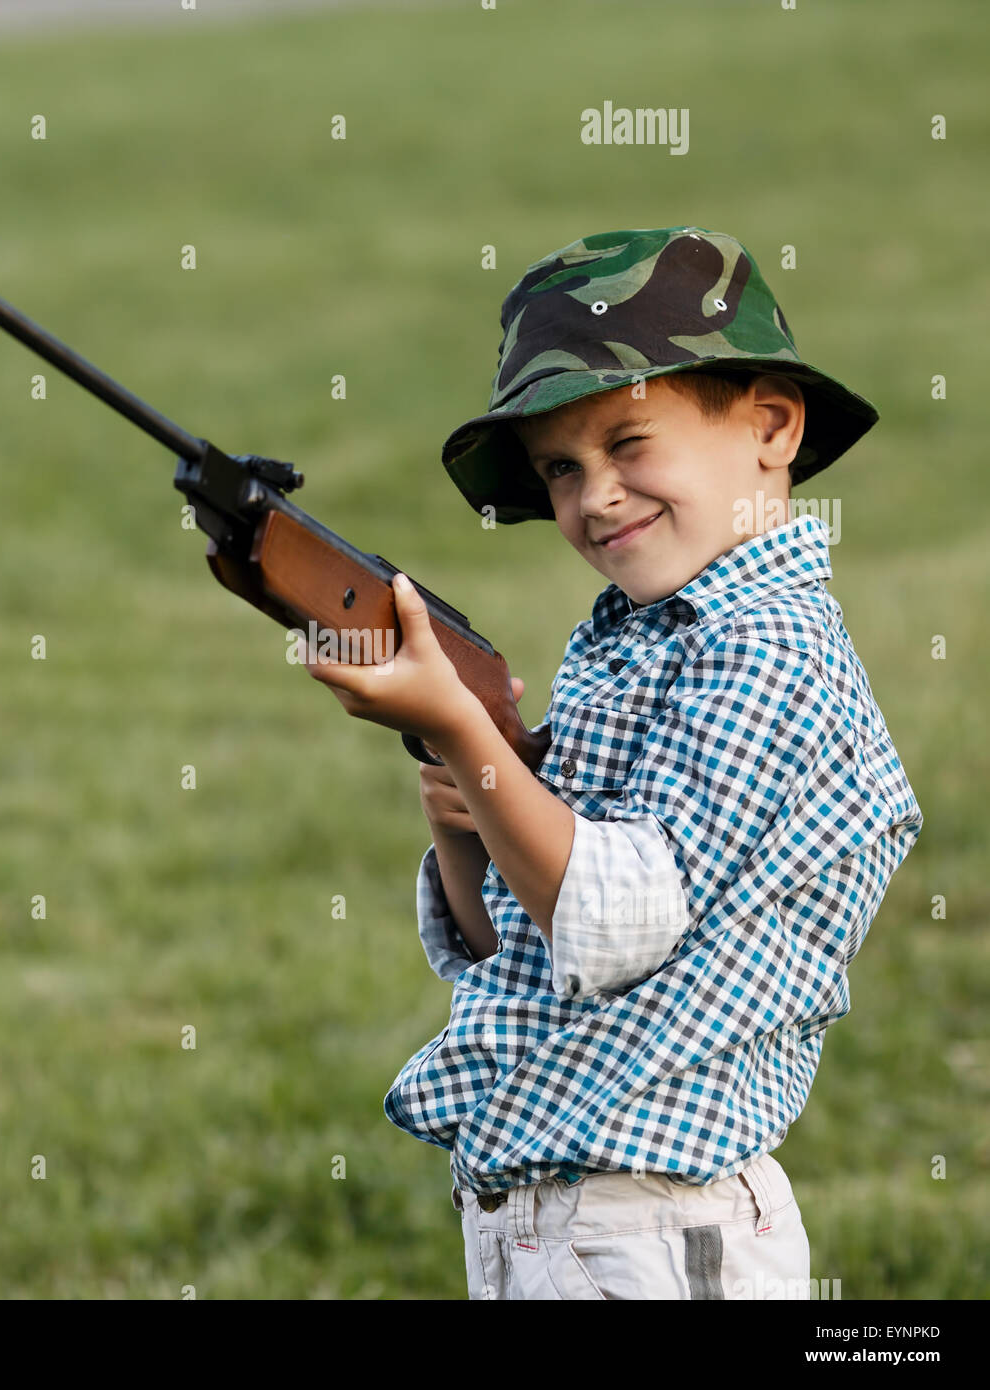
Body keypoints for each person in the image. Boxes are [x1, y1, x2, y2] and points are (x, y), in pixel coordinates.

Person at [304, 226, 923, 1299]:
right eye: (559, 467)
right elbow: (524, 939)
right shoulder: (638, 639)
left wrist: (460, 729)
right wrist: (467, 812)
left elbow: (614, 920)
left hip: (650, 1233)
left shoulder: (763, 654)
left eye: (629, 443)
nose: (594, 496)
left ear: (771, 425)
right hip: (559, 1223)